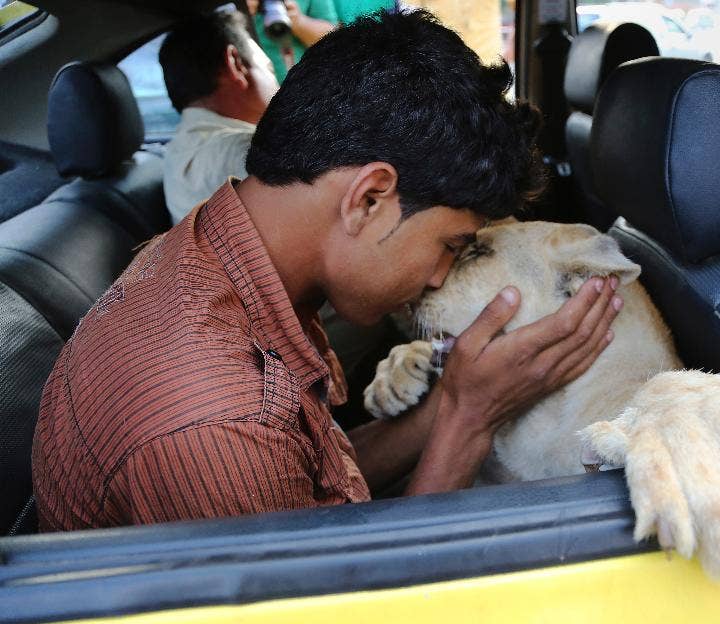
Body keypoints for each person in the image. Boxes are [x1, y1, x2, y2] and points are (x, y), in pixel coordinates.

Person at [32, 9, 622, 531]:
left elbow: (310, 481)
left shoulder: (217, 255)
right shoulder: (219, 416)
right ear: (368, 198)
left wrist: (457, 398)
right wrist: (470, 420)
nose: (441, 277)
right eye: (451, 245)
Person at [160, 10, 279, 224]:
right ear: (236, 64)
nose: (278, 83)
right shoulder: (243, 152)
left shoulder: (180, 151)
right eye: (269, 69)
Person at [247, 0, 339, 83]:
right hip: (253, 90)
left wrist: (299, 21)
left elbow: (333, 41)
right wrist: (242, 10)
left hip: (305, 87)